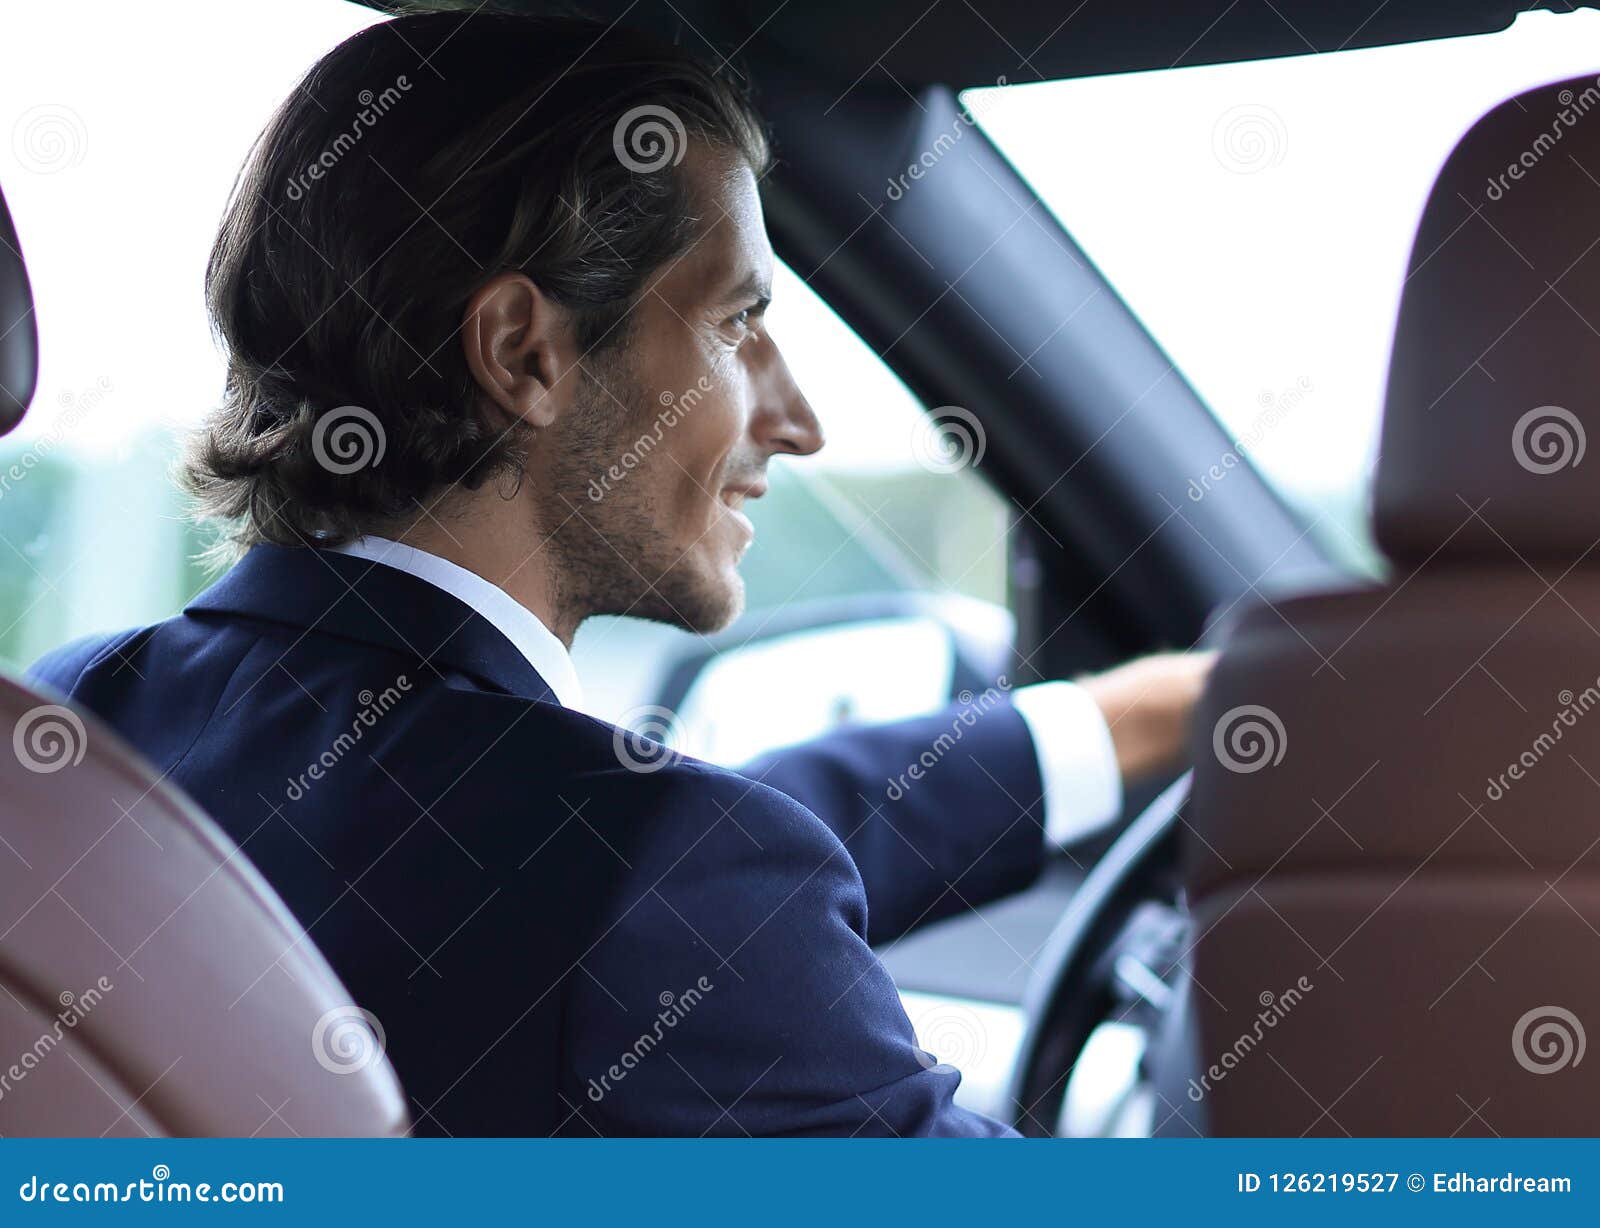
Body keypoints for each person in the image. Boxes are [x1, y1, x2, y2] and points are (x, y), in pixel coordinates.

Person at [32, 11, 1211, 1135]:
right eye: (736, 323)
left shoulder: (64, 734)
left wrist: (1136, 716)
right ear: (524, 352)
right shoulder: (665, 880)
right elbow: (654, 867)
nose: (795, 422)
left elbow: (629, 845)